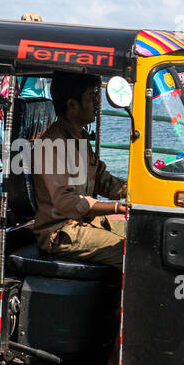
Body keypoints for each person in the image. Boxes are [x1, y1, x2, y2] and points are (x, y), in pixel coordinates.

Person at [31, 72, 128, 270]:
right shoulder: (51, 145)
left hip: (86, 222)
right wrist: (117, 208)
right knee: (129, 252)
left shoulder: (80, 138)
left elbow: (101, 180)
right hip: (61, 231)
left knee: (143, 236)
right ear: (72, 105)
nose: (98, 103)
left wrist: (136, 191)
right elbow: (66, 202)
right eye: (92, 97)